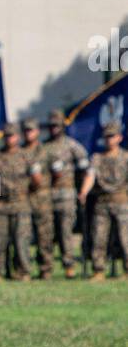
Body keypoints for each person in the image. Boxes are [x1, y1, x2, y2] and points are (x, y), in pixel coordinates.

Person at [0, 122, 39, 281]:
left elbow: (36, 180)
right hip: (0, 204)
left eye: (12, 135)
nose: (9, 139)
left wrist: (26, 192)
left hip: (20, 203)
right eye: (7, 136)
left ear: (18, 137)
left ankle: (23, 271)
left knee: (21, 240)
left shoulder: (27, 156)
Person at [80, 122, 128, 280]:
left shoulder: (125, 157)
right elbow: (90, 175)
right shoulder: (97, 158)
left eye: (112, 136)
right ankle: (98, 269)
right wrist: (84, 191)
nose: (109, 139)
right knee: (99, 237)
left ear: (119, 138)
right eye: (106, 136)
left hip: (121, 200)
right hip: (102, 202)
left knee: (125, 237)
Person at [44, 109, 89, 278]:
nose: (53, 128)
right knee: (47, 233)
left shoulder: (72, 145)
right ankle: (46, 268)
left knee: (65, 232)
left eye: (57, 125)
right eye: (51, 126)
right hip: (48, 196)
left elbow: (84, 168)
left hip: (67, 195)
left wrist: (83, 190)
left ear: (62, 126)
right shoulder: (44, 146)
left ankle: (69, 265)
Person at [22, 118, 55, 280]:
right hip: (23, 200)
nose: (28, 133)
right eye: (26, 130)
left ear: (37, 132)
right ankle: (24, 269)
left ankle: (46, 269)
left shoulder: (45, 151)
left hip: (42, 199)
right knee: (23, 236)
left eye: (31, 130)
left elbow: (58, 174)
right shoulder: (19, 152)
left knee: (44, 236)